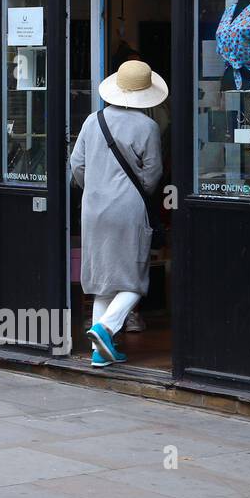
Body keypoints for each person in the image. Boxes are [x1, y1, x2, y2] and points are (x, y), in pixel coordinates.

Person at [68, 60, 167, 368]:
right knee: (133, 279)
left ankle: (100, 352)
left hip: (93, 209)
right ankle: (105, 328)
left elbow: (76, 166)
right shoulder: (148, 127)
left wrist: (97, 188)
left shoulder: (91, 121)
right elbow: (152, 174)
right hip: (128, 210)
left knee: (102, 281)